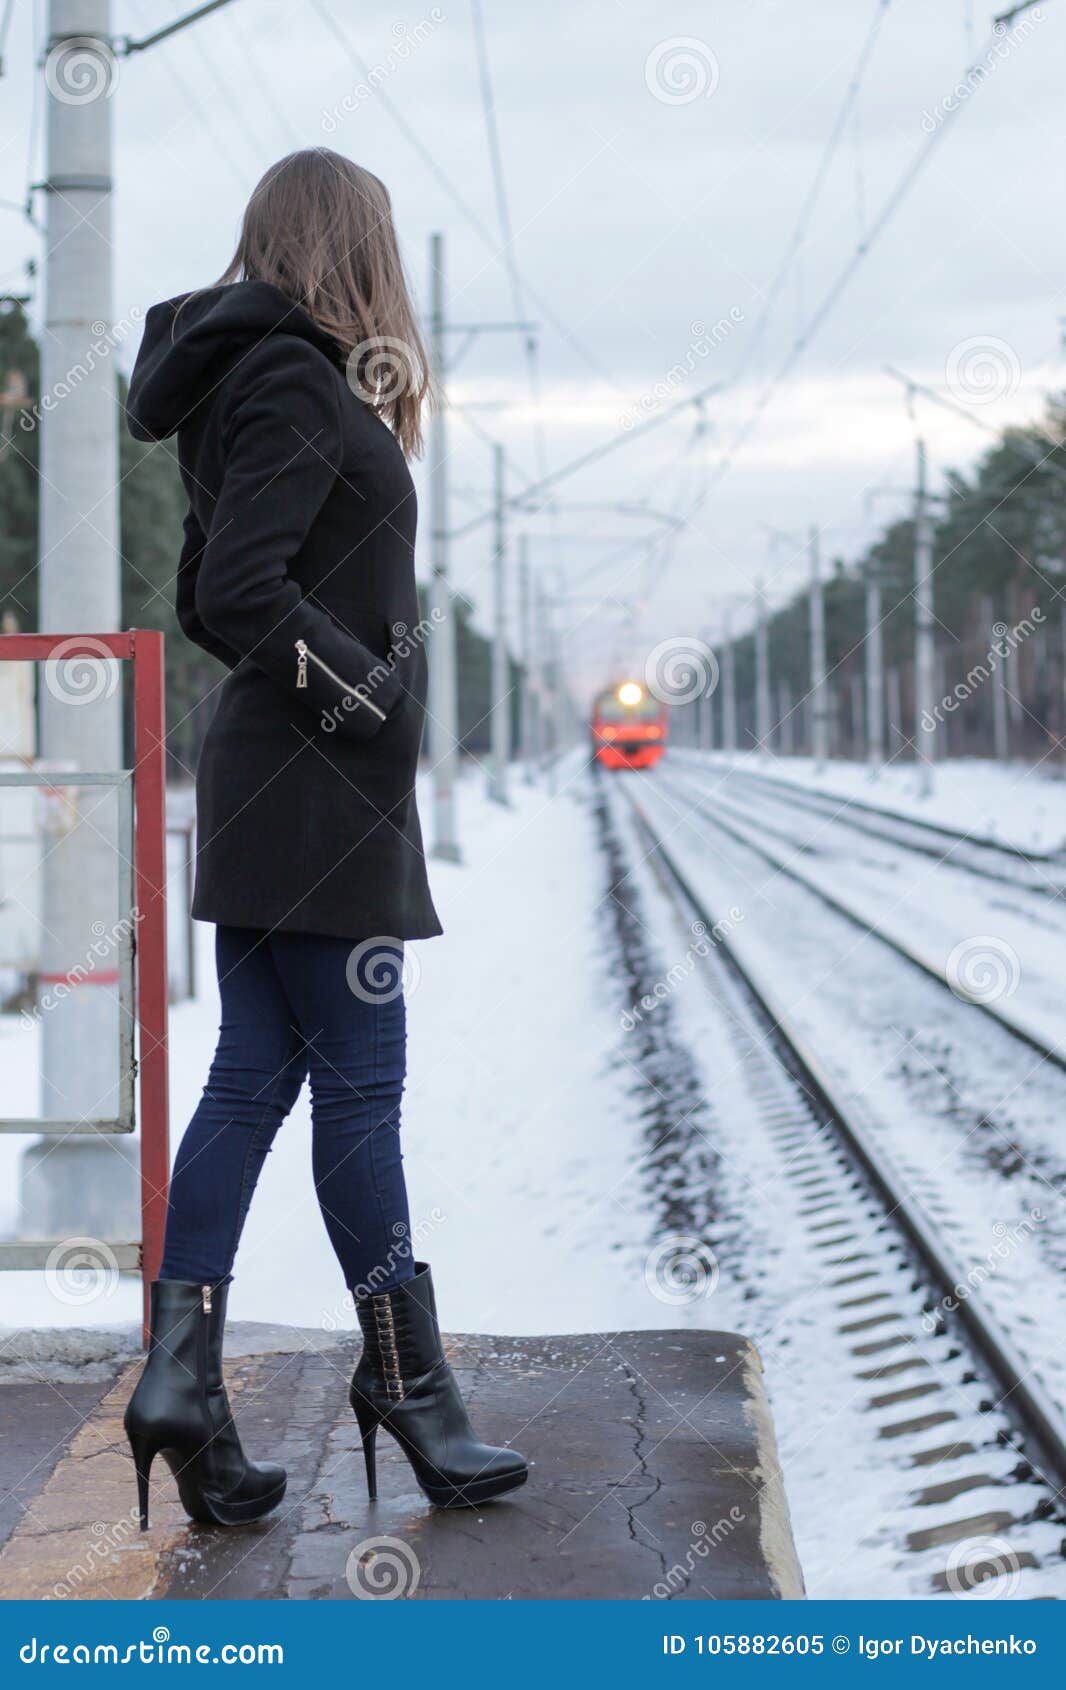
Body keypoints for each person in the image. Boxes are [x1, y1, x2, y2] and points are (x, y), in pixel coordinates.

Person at [122, 148, 527, 1529]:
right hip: (313, 793)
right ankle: (411, 1387)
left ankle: (184, 1387)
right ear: (353, 249)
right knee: (357, 1089)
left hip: (275, 786)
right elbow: (239, 590)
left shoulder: (237, 379)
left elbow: (201, 593)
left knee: (250, 1080)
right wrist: (366, 694)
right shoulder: (298, 377)